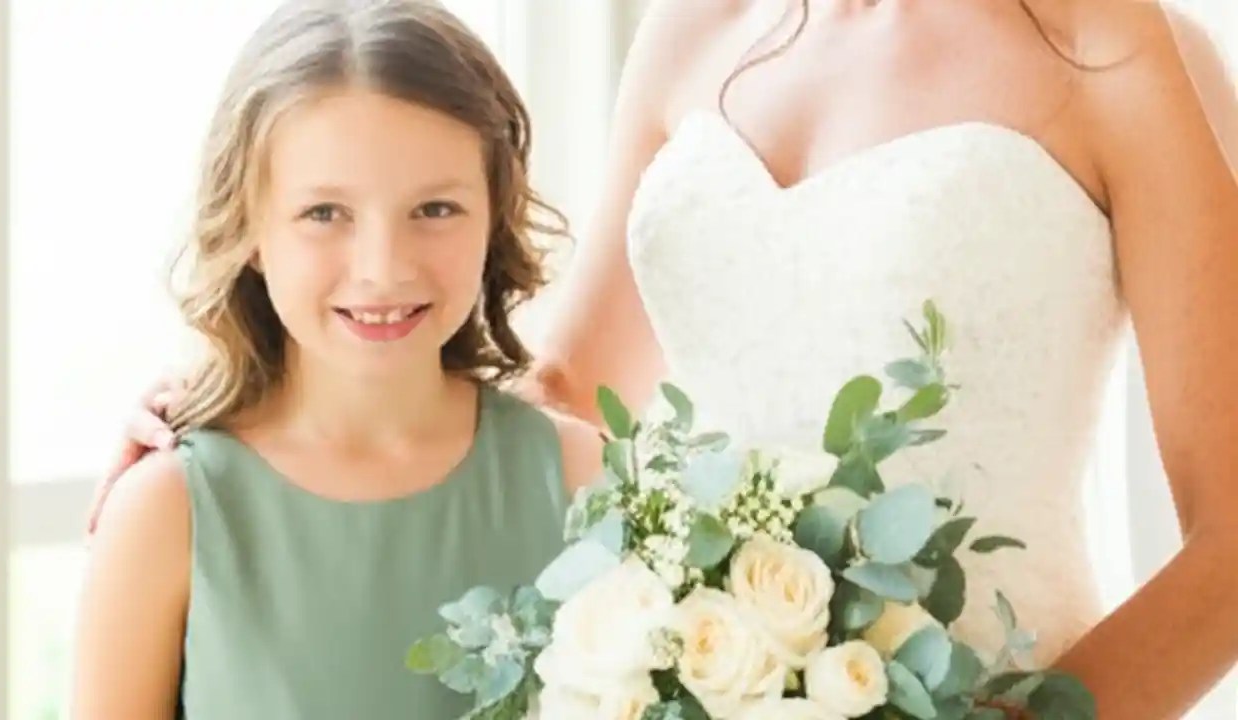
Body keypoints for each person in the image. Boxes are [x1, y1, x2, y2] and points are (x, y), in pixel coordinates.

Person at [97, 0, 1238, 716]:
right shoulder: (694, 30)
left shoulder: (1111, 42)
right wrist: (248, 406)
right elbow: (555, 388)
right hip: (694, 680)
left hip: (999, 679)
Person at [72, 2, 601, 717]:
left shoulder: (582, 479)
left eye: (435, 209)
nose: (382, 269)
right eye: (325, 213)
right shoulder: (168, 513)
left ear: (495, 212)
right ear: (249, 228)